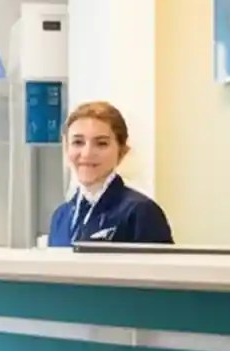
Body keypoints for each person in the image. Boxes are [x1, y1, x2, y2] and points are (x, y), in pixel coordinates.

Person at [47, 101, 174, 248]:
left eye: (101, 143)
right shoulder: (61, 216)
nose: (87, 153)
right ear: (66, 148)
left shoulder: (140, 212)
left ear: (122, 151)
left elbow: (158, 270)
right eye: (78, 142)